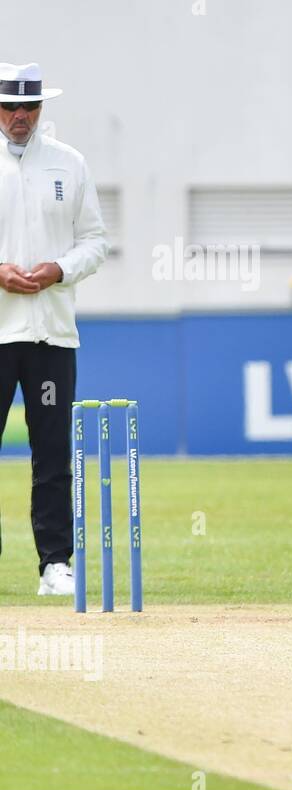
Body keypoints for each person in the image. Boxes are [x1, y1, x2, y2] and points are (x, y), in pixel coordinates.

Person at [0, 62, 107, 595]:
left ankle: (54, 565)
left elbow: (95, 242)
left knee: (51, 453)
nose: (20, 117)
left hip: (49, 335)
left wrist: (59, 269)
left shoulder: (69, 163)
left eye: (30, 107)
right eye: (10, 107)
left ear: (42, 108)